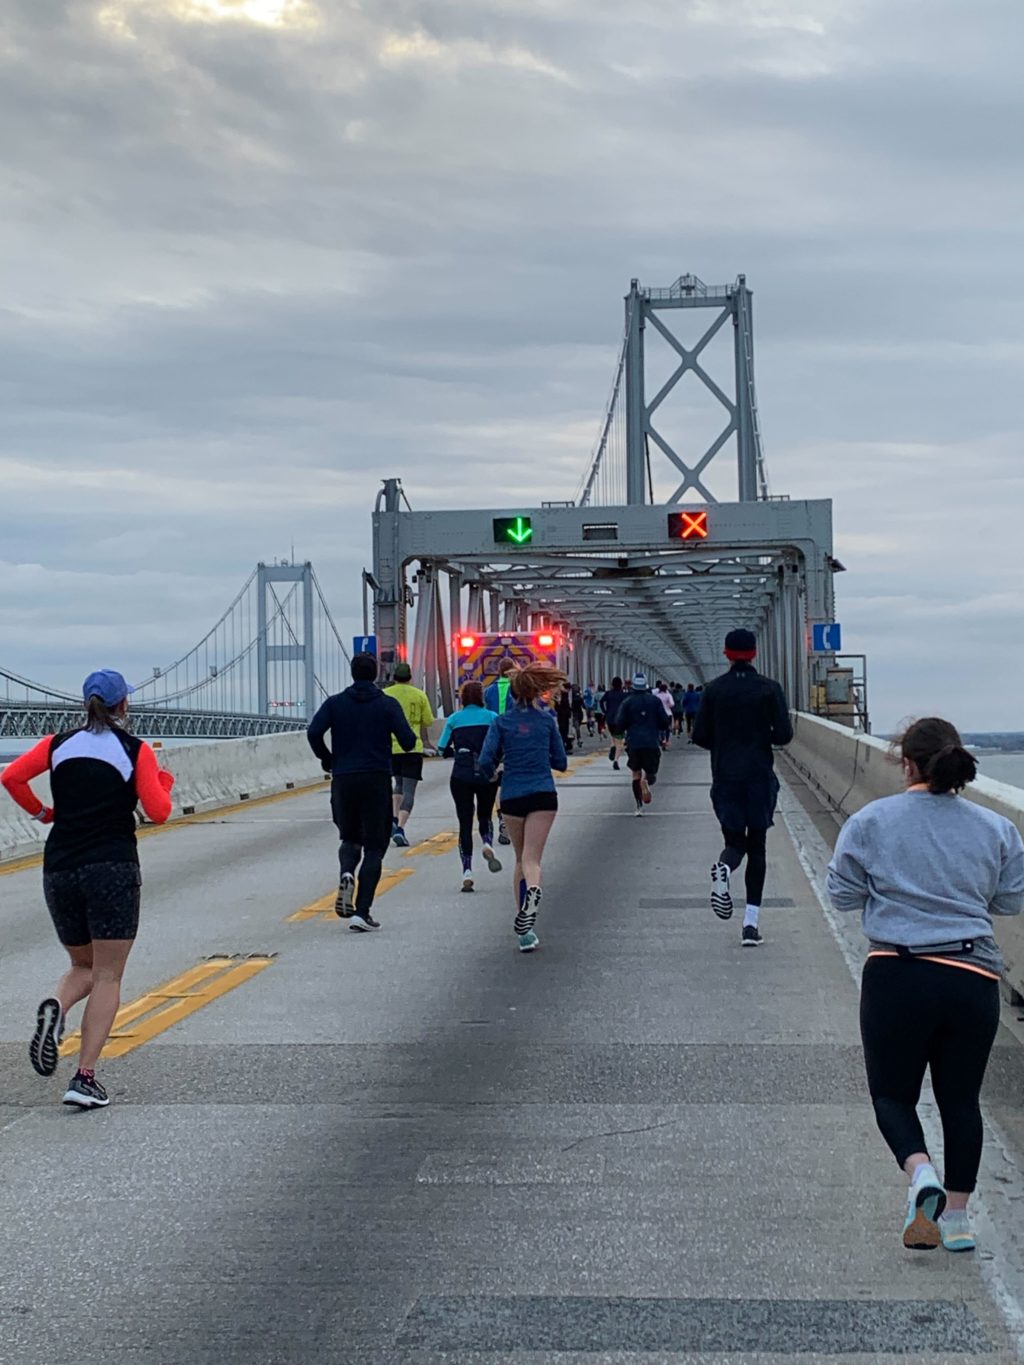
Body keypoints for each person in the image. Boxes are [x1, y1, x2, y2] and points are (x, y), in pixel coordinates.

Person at [827, 717, 1024, 1252]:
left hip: (898, 972)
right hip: (972, 977)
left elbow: (842, 896)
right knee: (962, 1100)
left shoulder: (871, 821)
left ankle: (920, 1174)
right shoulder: (996, 829)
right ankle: (958, 1220)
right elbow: (1010, 900)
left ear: (906, 763)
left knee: (893, 1095)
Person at [0, 670, 175, 1109]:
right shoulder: (135, 751)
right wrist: (165, 784)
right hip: (111, 868)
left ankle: (56, 1009)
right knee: (108, 975)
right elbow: (158, 813)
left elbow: (12, 778)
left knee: (82, 964)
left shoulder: (56, 745)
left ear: (85, 705)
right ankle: (84, 1078)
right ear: (124, 707)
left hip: (59, 867)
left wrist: (43, 813)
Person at [693, 629, 792, 945]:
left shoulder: (714, 690)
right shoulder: (769, 689)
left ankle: (724, 867)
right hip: (759, 777)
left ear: (726, 654)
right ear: (754, 654)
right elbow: (784, 735)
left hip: (726, 776)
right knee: (758, 847)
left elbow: (699, 735)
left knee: (735, 843)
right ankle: (750, 925)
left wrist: (723, 742)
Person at [307, 653, 416, 932]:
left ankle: (346, 873)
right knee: (375, 847)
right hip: (376, 779)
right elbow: (407, 741)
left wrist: (328, 759)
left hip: (343, 779)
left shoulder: (334, 703)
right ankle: (362, 912)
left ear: (353, 673)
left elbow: (314, 732)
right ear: (376, 673)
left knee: (350, 838)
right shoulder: (387, 704)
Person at [479, 663, 568, 953]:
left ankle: (525, 931)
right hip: (543, 793)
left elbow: (485, 760)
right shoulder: (547, 722)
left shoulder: (500, 722)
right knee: (533, 860)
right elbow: (561, 762)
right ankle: (534, 890)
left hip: (513, 794)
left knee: (519, 859)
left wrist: (493, 771)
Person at [437, 681, 502, 892]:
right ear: (481, 697)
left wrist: (454, 752)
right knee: (485, 815)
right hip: (486, 774)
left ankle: (467, 871)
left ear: (462, 698)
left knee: (464, 823)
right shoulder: (493, 717)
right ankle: (487, 842)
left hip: (461, 775)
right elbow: (501, 746)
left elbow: (441, 748)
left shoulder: (455, 719)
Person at [383, 662, 435, 848]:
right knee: (409, 790)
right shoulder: (419, 695)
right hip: (412, 748)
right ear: (410, 677)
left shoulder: (386, 695)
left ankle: (394, 819)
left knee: (397, 784)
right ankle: (401, 829)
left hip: (391, 748)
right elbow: (428, 720)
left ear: (394, 677)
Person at [616, 673, 671, 815]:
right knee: (651, 772)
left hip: (634, 742)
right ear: (646, 685)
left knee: (635, 773)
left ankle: (639, 806)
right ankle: (646, 781)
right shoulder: (655, 701)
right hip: (651, 741)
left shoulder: (627, 702)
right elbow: (665, 722)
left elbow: (620, 723)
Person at [484, 658, 518, 846]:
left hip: (495, 738)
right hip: (513, 739)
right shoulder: (517, 690)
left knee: (498, 782)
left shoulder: (488, 691)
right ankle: (512, 817)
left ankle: (501, 818)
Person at [601, 676, 628, 771]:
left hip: (610, 719)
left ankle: (612, 746)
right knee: (620, 742)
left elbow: (601, 701)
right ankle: (616, 760)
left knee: (614, 736)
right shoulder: (624, 695)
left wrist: (605, 711)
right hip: (620, 720)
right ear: (621, 684)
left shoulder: (608, 694)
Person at [653, 681, 675, 750]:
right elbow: (672, 704)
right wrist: (667, 705)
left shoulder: (657, 696)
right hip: (668, 713)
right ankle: (666, 740)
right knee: (667, 728)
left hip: (659, 714)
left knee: (660, 728)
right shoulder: (668, 695)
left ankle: (662, 740)